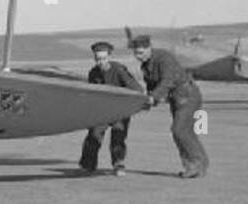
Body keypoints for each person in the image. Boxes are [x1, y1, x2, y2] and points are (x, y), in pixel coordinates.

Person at [130, 34, 209, 178]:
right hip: (176, 99)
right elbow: (152, 85)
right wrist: (148, 100)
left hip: (188, 96)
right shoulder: (145, 65)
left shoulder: (164, 58)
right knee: (184, 132)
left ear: (149, 48)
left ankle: (197, 165)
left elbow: (167, 81)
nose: (138, 56)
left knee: (179, 130)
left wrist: (153, 97)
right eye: (135, 53)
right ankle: (194, 166)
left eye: (140, 53)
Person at [79, 41, 142, 175]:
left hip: (120, 111)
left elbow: (137, 89)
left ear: (109, 57)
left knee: (118, 137)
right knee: (94, 135)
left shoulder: (119, 70)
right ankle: (88, 165)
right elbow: (91, 94)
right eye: (98, 59)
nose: (100, 62)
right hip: (102, 111)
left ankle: (118, 165)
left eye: (103, 58)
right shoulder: (93, 73)